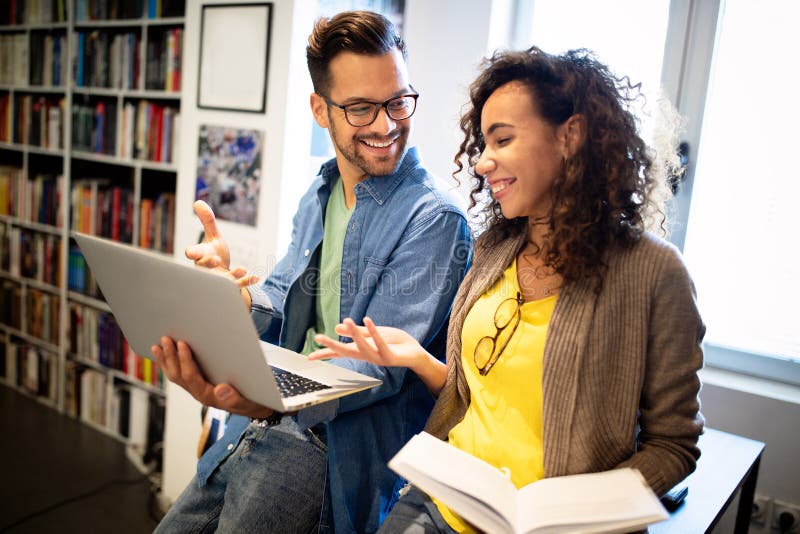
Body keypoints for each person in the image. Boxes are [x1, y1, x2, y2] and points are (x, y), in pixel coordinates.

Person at [311, 46, 705, 533]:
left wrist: (575, 512)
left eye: (502, 140)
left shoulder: (653, 273)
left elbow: (674, 446)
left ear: (570, 136)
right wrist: (418, 359)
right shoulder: (494, 249)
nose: (482, 163)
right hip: (445, 506)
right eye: (483, 145)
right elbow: (475, 398)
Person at [152, 11, 471, 534]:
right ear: (320, 110)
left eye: (398, 100)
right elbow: (281, 298)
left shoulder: (434, 219)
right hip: (260, 422)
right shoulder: (319, 192)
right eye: (361, 108)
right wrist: (238, 301)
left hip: (327, 448)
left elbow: (375, 370)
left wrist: (265, 393)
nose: (386, 124)